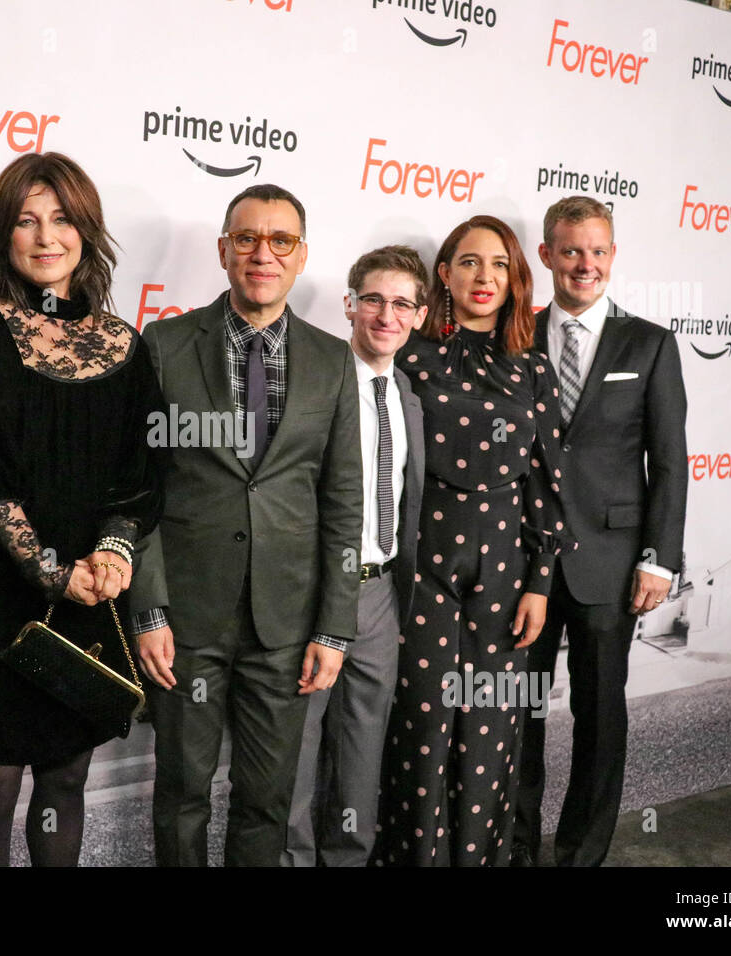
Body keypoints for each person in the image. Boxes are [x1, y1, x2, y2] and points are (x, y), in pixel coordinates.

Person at [0, 152, 166, 867]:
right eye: (26, 220)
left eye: (61, 219)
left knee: (66, 778)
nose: (46, 236)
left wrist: (113, 552)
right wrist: (49, 569)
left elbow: (142, 471)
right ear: (2, 234)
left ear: (86, 231)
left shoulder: (123, 343)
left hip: (90, 594)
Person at [131, 183, 362, 867]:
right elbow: (140, 488)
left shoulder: (332, 360)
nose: (264, 253)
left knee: (266, 799)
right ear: (224, 250)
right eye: (248, 238)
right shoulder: (166, 344)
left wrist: (334, 626)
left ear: (301, 255)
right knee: (182, 792)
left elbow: (343, 501)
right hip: (186, 620)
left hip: (285, 625)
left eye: (280, 240)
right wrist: (148, 610)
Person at [373, 215, 574, 867]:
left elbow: (547, 480)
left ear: (515, 279)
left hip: (506, 576)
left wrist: (540, 582)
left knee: (489, 734)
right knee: (422, 727)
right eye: (468, 262)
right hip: (421, 567)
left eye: (498, 264)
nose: (483, 276)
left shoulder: (533, 368)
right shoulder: (409, 355)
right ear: (444, 274)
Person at [513, 196, 688, 867]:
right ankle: (515, 849)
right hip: (521, 563)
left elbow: (669, 461)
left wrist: (659, 559)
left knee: (600, 718)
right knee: (516, 716)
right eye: (571, 250)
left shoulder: (649, 343)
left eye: (598, 251)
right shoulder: (514, 334)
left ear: (612, 255)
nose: (585, 264)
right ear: (547, 254)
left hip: (610, 564)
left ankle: (580, 856)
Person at [284, 245, 427, 867]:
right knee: (292, 760)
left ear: (420, 316)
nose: (386, 316)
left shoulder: (407, 394)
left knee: (362, 763)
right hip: (310, 593)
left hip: (380, 595)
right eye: (373, 300)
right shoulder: (312, 381)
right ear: (349, 304)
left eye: (401, 304)